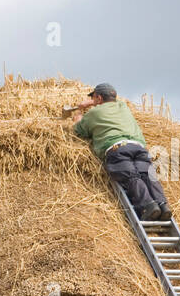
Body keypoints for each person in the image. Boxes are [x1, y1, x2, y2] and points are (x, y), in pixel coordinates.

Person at [70, 83, 171, 221]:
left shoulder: (93, 113)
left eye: (94, 98)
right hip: (139, 147)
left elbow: (79, 131)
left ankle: (148, 205)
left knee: (131, 176)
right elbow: (110, 103)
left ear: (99, 98)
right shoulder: (123, 107)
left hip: (118, 148)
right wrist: (94, 102)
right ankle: (163, 205)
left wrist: (79, 115)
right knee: (147, 175)